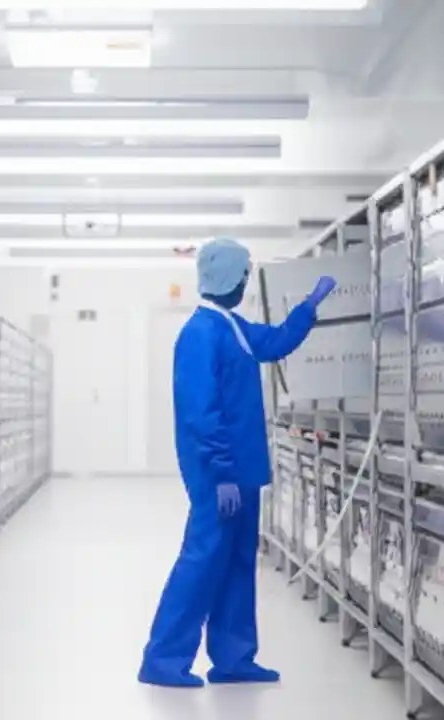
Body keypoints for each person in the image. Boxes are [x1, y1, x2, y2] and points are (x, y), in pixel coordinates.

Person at [138, 237, 337, 688]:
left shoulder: (233, 327)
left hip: (242, 471)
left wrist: (308, 306)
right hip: (219, 476)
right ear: (228, 276)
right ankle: (163, 659)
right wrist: (223, 472)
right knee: (202, 561)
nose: (246, 282)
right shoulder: (199, 334)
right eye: (244, 273)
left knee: (237, 563)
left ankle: (234, 658)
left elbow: (276, 342)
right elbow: (200, 412)